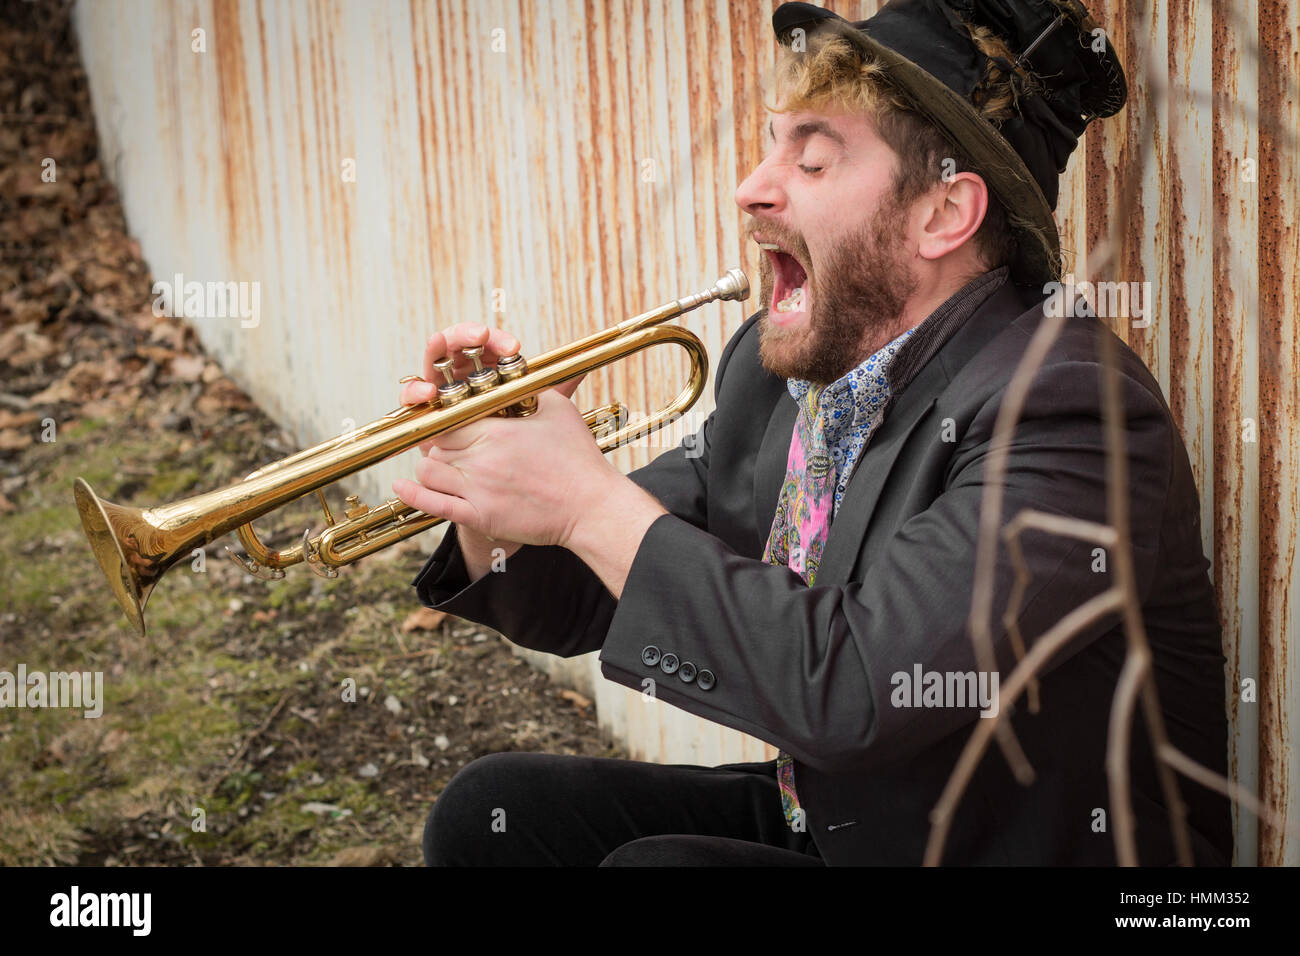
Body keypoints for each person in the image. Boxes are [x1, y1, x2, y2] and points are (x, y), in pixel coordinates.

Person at [392, 0, 1232, 866]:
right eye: (768, 143)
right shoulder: (784, 372)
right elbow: (582, 597)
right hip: (853, 823)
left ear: (943, 213)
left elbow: (859, 689)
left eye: (815, 159)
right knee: (491, 812)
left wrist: (583, 500)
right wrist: (493, 497)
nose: (752, 186)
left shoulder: (1069, 411)